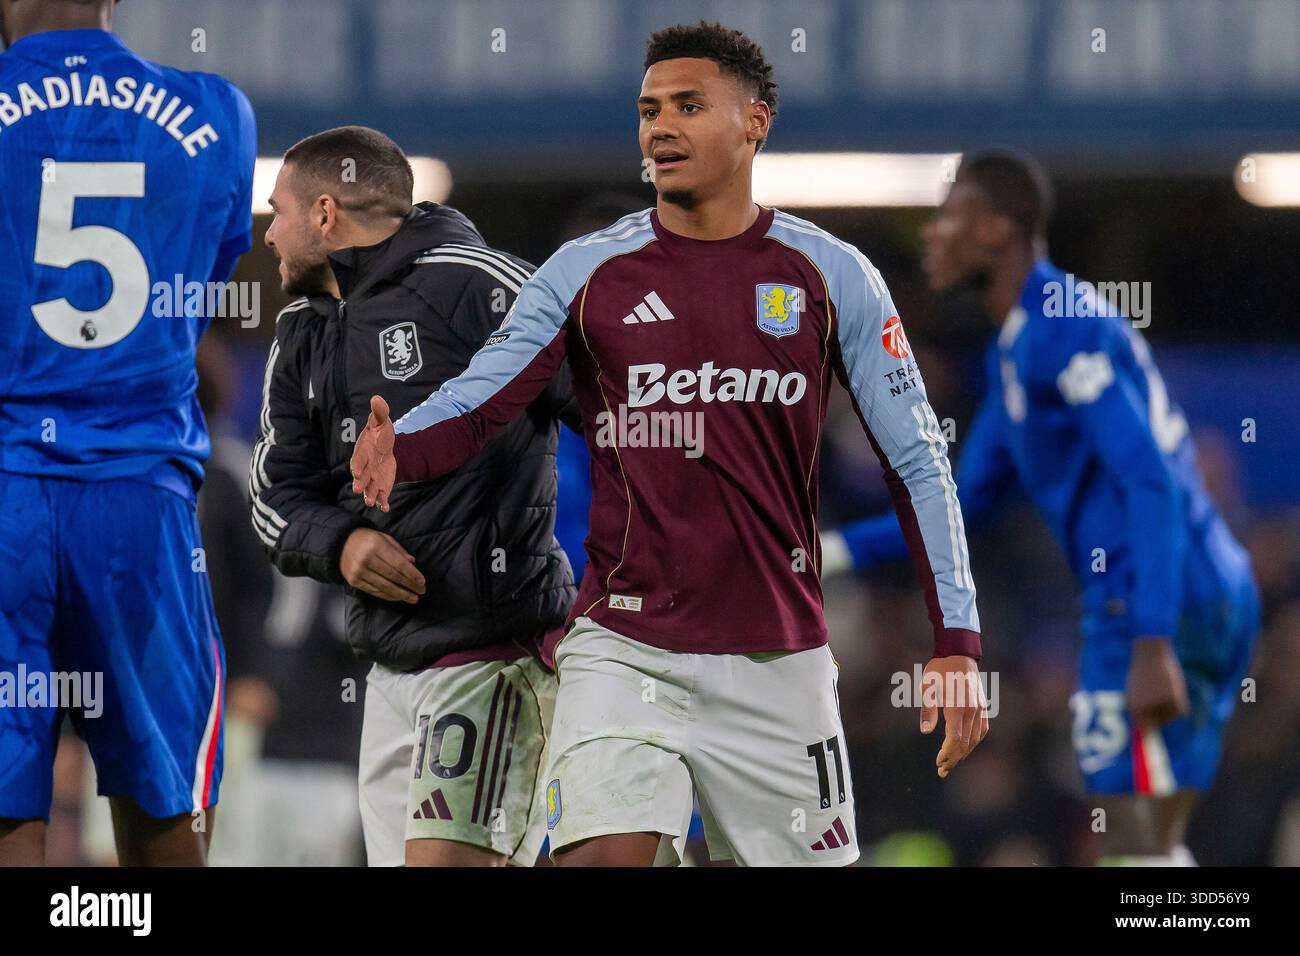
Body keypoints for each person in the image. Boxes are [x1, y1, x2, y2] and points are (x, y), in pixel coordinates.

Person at [352, 22, 987, 867]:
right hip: (623, 652)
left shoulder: (831, 275)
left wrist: (959, 643)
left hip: (778, 664)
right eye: (649, 110)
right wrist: (405, 447)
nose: (661, 128)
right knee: (603, 856)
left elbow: (918, 463)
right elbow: (480, 398)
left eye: (689, 106)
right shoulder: (585, 273)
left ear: (755, 122)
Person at [822, 152, 1261, 865]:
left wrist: (1151, 640)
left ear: (995, 230)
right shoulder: (1018, 354)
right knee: (1141, 831)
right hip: (1178, 594)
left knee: (1133, 827)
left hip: (1161, 598)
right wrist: (831, 552)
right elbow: (956, 513)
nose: (934, 234)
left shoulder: (1064, 326)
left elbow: (1147, 477)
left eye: (949, 215)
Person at [255, 126, 579, 866]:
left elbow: (614, 412)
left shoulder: (478, 283)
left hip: (491, 655)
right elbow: (275, 495)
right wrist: (342, 544)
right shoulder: (300, 332)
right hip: (388, 669)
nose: (270, 234)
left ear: (326, 213)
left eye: (279, 212)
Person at [0, 0, 255, 865]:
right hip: (139, 506)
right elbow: (204, 274)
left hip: (5, 496)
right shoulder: (216, 112)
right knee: (164, 813)